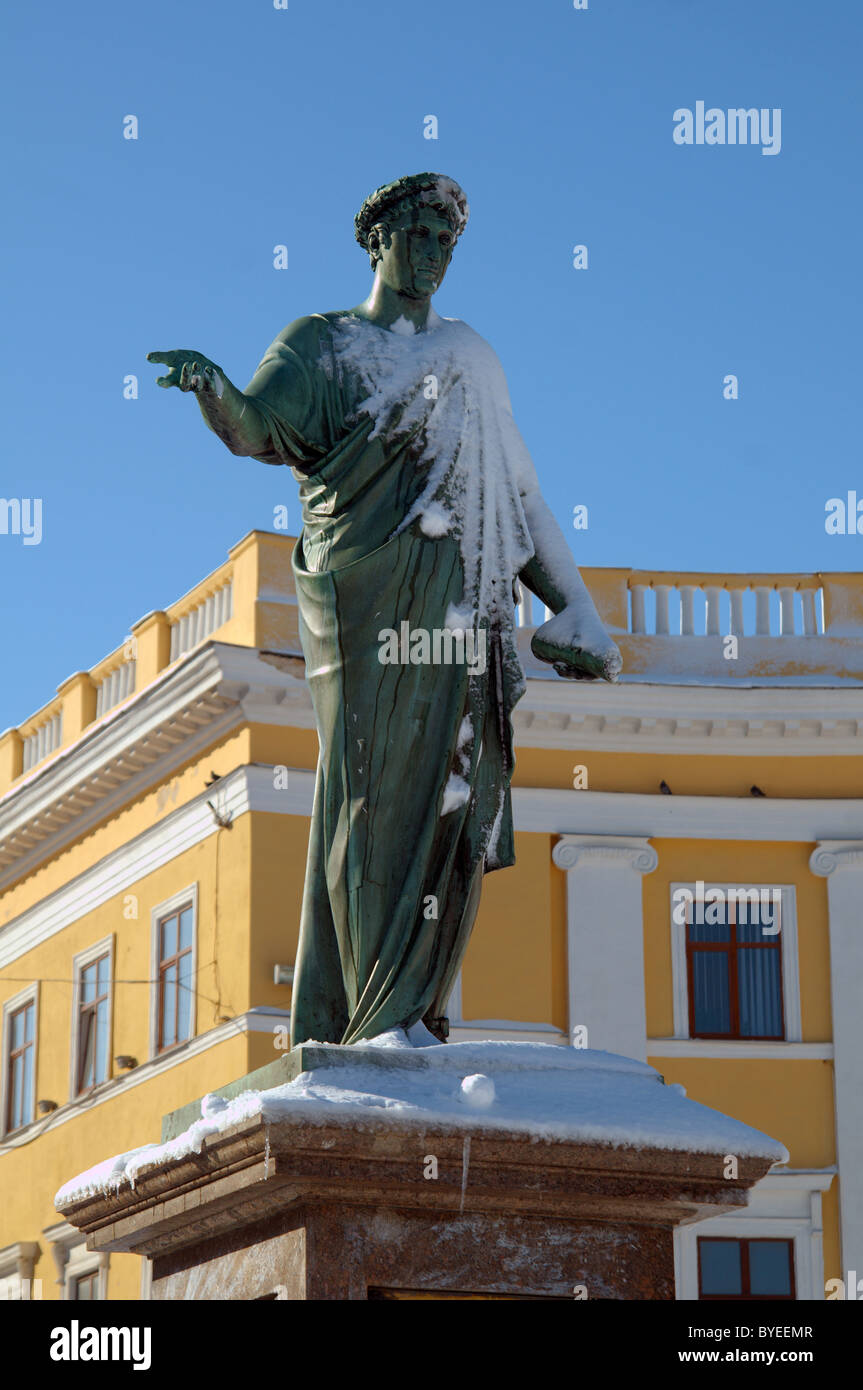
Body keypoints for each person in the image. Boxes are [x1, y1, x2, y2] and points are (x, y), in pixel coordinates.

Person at [148, 172, 621, 1048]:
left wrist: (576, 609)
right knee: (368, 794)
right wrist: (215, 391)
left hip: (457, 614)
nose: (435, 255)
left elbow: (516, 498)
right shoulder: (323, 345)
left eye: (449, 240)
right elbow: (260, 430)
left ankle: (411, 1011)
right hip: (366, 606)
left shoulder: (471, 358)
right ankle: (362, 1014)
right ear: (378, 240)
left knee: (446, 805)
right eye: (421, 235)